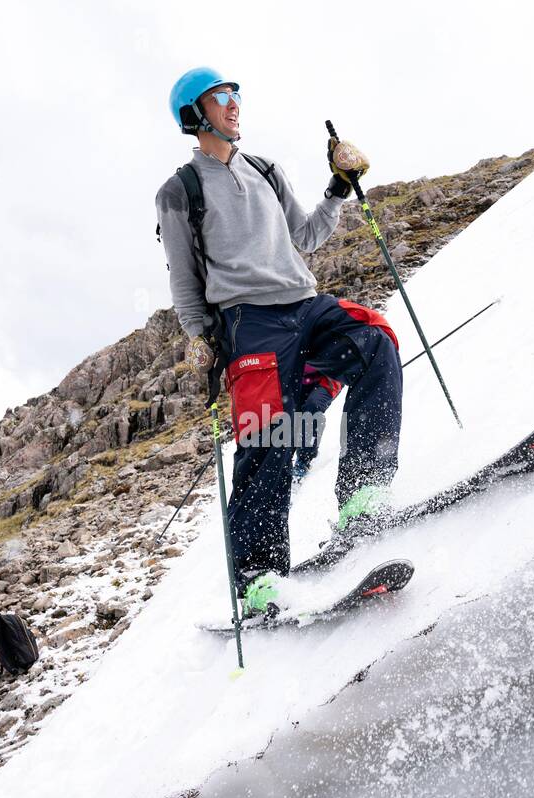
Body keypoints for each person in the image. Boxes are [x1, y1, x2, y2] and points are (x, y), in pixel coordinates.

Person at [155, 66, 403, 617]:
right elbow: (182, 276)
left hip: (305, 303)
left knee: (376, 341)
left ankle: (364, 495)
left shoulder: (265, 169)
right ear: (195, 115)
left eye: (236, 93)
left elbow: (308, 235)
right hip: (250, 323)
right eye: (221, 97)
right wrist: (200, 338)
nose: (234, 103)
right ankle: (259, 580)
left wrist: (340, 185)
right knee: (268, 439)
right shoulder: (180, 190)